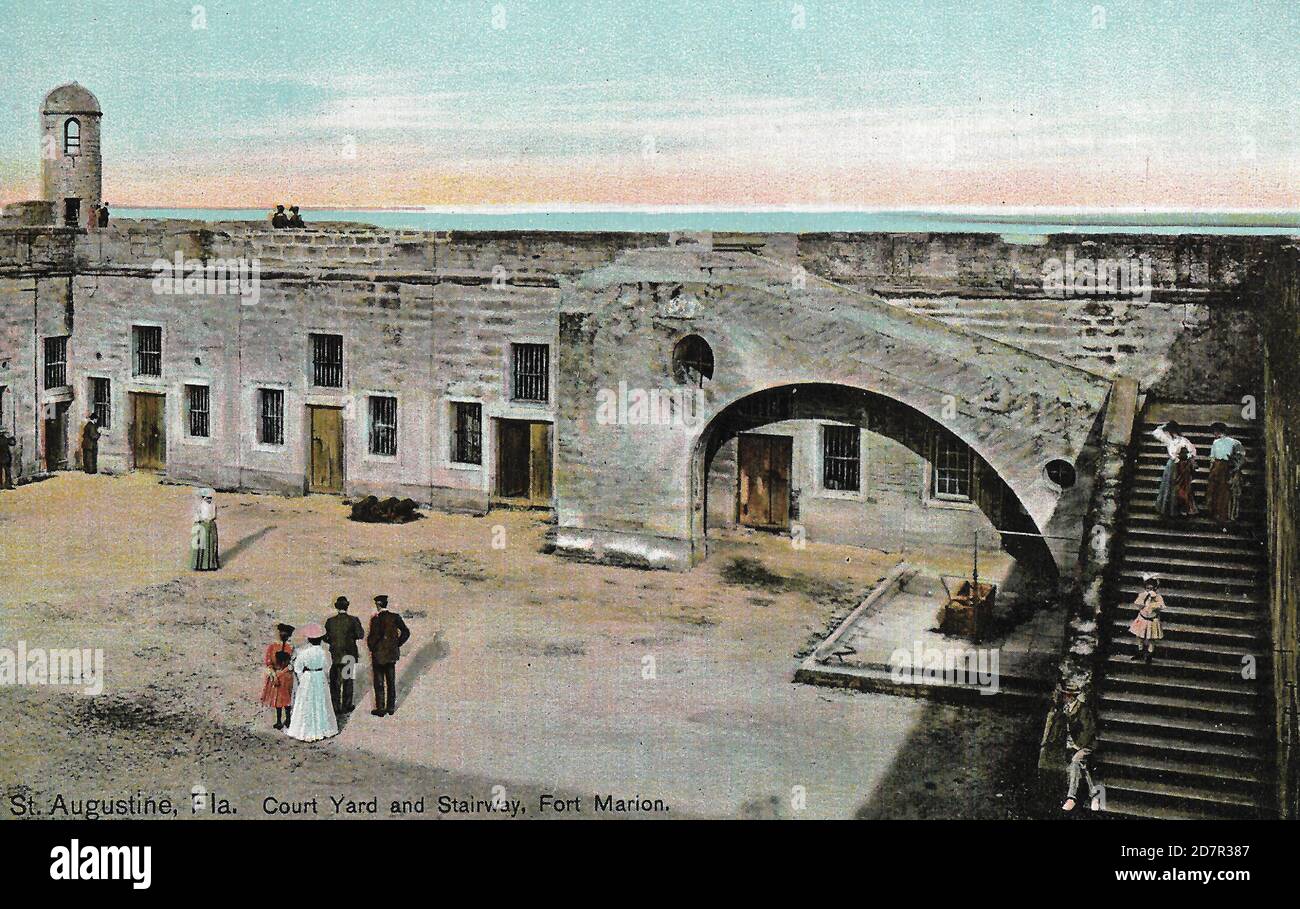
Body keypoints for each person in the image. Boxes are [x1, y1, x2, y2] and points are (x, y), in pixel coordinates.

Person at [1040, 682, 1101, 812]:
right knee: (1082, 766)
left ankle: (1071, 797)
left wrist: (1078, 746)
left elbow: (1089, 731)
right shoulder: (1064, 709)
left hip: (1086, 744)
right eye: (1064, 695)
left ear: (1073, 697)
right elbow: (1057, 726)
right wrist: (1049, 741)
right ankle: (1095, 795)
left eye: (1067, 695)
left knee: (1076, 760)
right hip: (1070, 745)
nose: (1065, 697)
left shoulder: (1084, 710)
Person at [285, 623, 339, 742]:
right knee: (321, 701)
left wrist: (302, 678)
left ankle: (306, 730)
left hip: (308, 677)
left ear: (309, 639)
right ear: (320, 640)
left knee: (306, 702)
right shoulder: (325, 652)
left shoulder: (304, 652)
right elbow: (327, 667)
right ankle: (323, 729)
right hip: (320, 677)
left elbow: (298, 668)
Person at [367, 595, 410, 717]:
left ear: (378, 605)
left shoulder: (376, 619)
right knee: (391, 681)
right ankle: (391, 708)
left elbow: (373, 637)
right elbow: (406, 632)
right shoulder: (395, 617)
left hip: (379, 655)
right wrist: (397, 644)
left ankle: (381, 708)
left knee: (379, 682)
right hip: (391, 654)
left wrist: (372, 647)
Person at [324, 596, 365, 714]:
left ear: (337, 607)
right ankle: (346, 706)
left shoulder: (330, 621)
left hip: (336, 655)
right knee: (347, 681)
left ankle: (335, 706)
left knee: (335, 682)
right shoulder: (353, 620)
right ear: (347, 606)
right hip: (349, 655)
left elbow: (326, 637)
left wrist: (334, 642)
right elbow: (360, 635)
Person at [1152, 421, 1197, 519]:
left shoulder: (1183, 440)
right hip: (1172, 465)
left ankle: (1179, 509)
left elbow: (1192, 452)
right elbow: (1156, 432)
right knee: (1170, 486)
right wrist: (1164, 426)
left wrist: (1184, 457)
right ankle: (1169, 510)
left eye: (1170, 431)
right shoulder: (1169, 440)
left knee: (1180, 487)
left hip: (1181, 466)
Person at [1205, 421, 1246, 531]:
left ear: (1218, 432)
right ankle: (1218, 513)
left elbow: (1213, 458)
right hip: (1220, 468)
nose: (1215, 434)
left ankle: (1221, 514)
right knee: (1218, 490)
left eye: (1215, 432)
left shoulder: (1231, 442)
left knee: (1222, 491)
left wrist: (1235, 468)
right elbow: (1213, 458)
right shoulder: (1222, 442)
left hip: (1224, 468)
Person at [260, 623, 296, 729]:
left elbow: (269, 662)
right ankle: (285, 720)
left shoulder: (275, 647)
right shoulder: (289, 647)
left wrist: (275, 675)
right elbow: (290, 665)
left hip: (281, 676)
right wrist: (277, 674)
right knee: (284, 699)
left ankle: (282, 720)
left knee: (281, 699)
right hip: (284, 675)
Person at [1128, 574, 1165, 663]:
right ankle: (1140, 651)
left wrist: (1153, 602)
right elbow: (1138, 604)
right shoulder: (1142, 595)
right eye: (1148, 588)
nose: (1149, 590)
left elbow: (1162, 606)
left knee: (1151, 638)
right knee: (1140, 636)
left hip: (1152, 620)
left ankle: (1149, 654)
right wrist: (1145, 596)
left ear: (1155, 588)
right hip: (1142, 619)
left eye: (1151, 588)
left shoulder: (1158, 597)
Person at [191, 487, 221, 570]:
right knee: (201, 544)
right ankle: (200, 565)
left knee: (211, 544)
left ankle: (211, 565)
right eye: (207, 498)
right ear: (203, 498)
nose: (209, 499)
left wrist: (211, 519)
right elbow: (197, 516)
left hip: (211, 525)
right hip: (202, 525)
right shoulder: (200, 505)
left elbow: (214, 515)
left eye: (210, 498)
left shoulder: (213, 505)